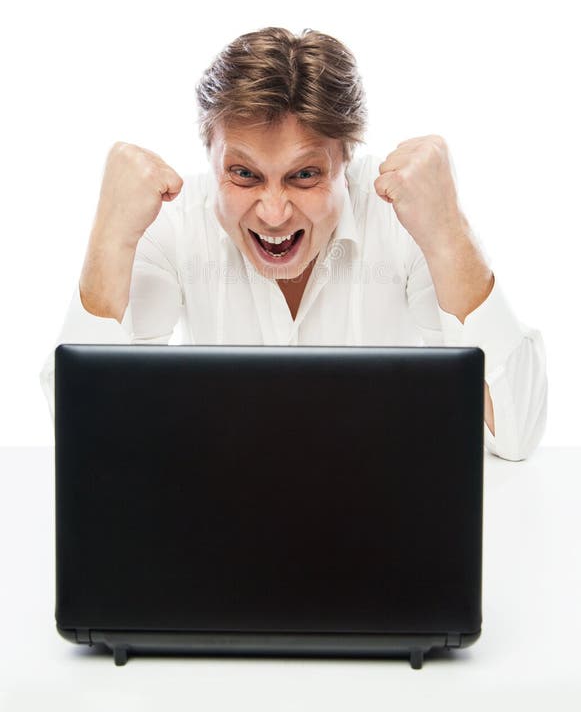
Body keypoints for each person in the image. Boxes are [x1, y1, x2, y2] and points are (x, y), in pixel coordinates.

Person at [39, 26, 547, 461]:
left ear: (347, 161)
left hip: (376, 519)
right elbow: (85, 437)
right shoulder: (174, 220)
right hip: (225, 528)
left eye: (305, 175)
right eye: (244, 175)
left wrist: (448, 231)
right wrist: (108, 234)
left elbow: (516, 435)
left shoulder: (401, 215)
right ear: (210, 158)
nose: (274, 212)